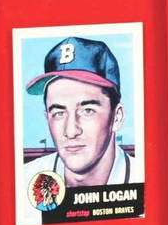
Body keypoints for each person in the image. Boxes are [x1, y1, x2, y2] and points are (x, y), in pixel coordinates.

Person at [20, 36, 139, 215]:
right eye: (59, 113)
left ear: (117, 117)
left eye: (87, 110)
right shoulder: (23, 182)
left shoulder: (147, 183)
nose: (71, 131)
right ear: (47, 119)